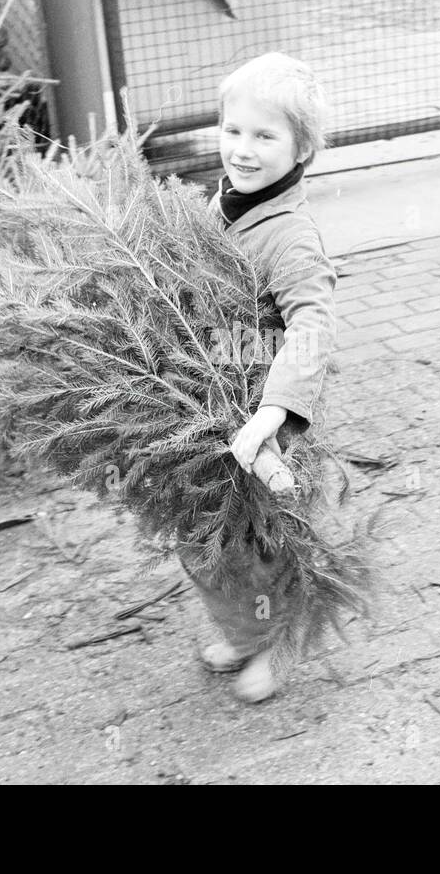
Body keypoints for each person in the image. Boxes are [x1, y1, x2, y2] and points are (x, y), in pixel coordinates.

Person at [190, 51, 337, 703]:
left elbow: (311, 323)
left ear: (302, 148)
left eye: (265, 136)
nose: (243, 151)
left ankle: (269, 643)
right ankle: (241, 632)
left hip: (257, 414)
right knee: (199, 529)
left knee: (255, 536)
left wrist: (275, 411)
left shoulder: (291, 237)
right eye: (233, 131)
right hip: (201, 403)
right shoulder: (219, 205)